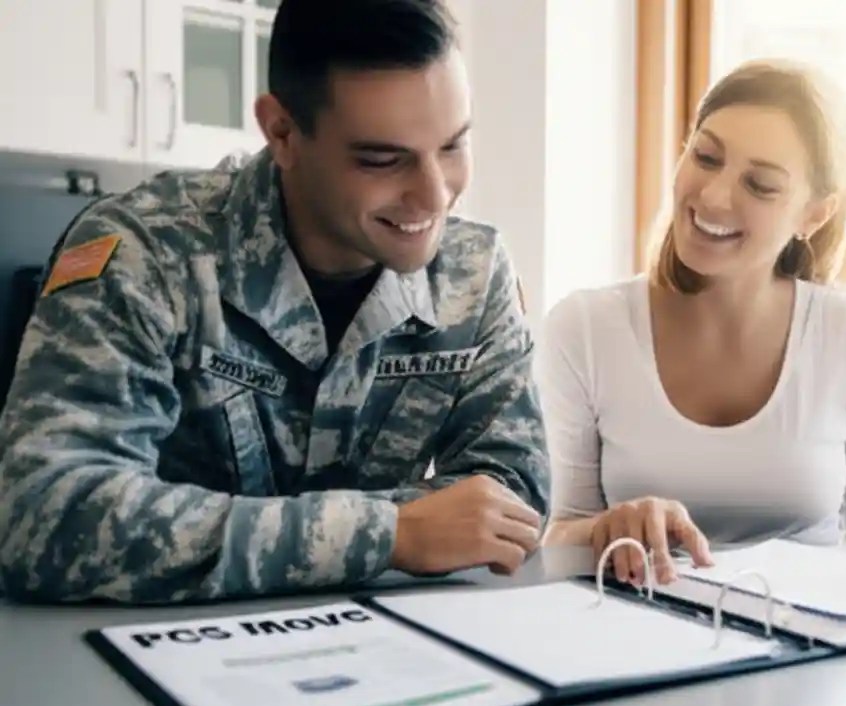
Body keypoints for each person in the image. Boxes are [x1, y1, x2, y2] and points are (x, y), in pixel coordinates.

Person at [0, 0, 548, 603]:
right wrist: (385, 534)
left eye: (452, 146)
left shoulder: (476, 269)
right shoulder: (144, 253)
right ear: (282, 132)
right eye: (382, 159)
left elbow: (512, 493)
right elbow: (46, 512)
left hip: (388, 650)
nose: (434, 195)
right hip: (145, 655)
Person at [535, 59, 846, 586]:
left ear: (813, 215)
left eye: (760, 185)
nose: (713, 195)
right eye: (705, 157)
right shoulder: (584, 328)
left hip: (809, 647)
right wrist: (604, 529)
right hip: (635, 642)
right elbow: (556, 538)